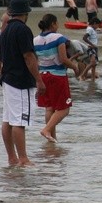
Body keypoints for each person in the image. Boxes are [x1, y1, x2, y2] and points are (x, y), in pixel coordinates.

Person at [0, 0, 45, 166]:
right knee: (19, 121)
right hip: (20, 81)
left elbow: (1, 58)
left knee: (8, 120)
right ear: (26, 13)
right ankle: (23, 159)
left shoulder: (4, 32)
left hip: (7, 79)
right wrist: (38, 80)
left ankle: (12, 158)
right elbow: (28, 56)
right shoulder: (23, 30)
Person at [34, 14, 76, 143]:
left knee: (49, 107)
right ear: (53, 24)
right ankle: (46, 130)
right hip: (57, 76)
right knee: (64, 109)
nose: (58, 26)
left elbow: (35, 61)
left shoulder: (35, 40)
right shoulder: (59, 38)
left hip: (43, 76)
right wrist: (75, 67)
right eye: (57, 23)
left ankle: (51, 137)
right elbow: (63, 59)